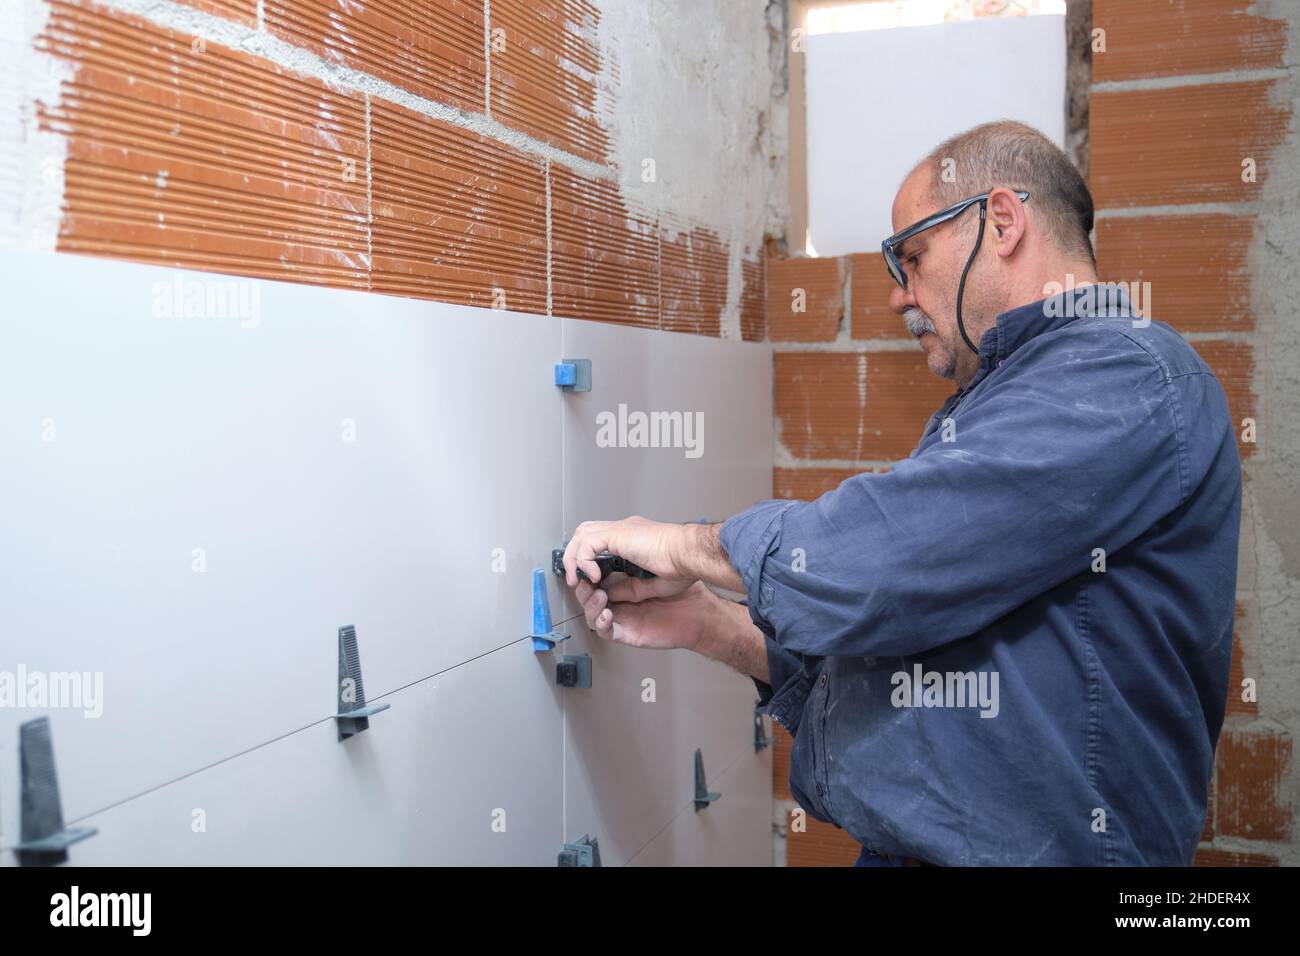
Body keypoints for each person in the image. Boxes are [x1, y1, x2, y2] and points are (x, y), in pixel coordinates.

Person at [559, 121, 1241, 866]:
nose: (896, 297)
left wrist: (688, 545)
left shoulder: (1124, 378)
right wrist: (713, 627)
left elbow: (868, 560)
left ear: (1003, 222)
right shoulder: (1012, 397)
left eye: (911, 256)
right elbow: (926, 670)